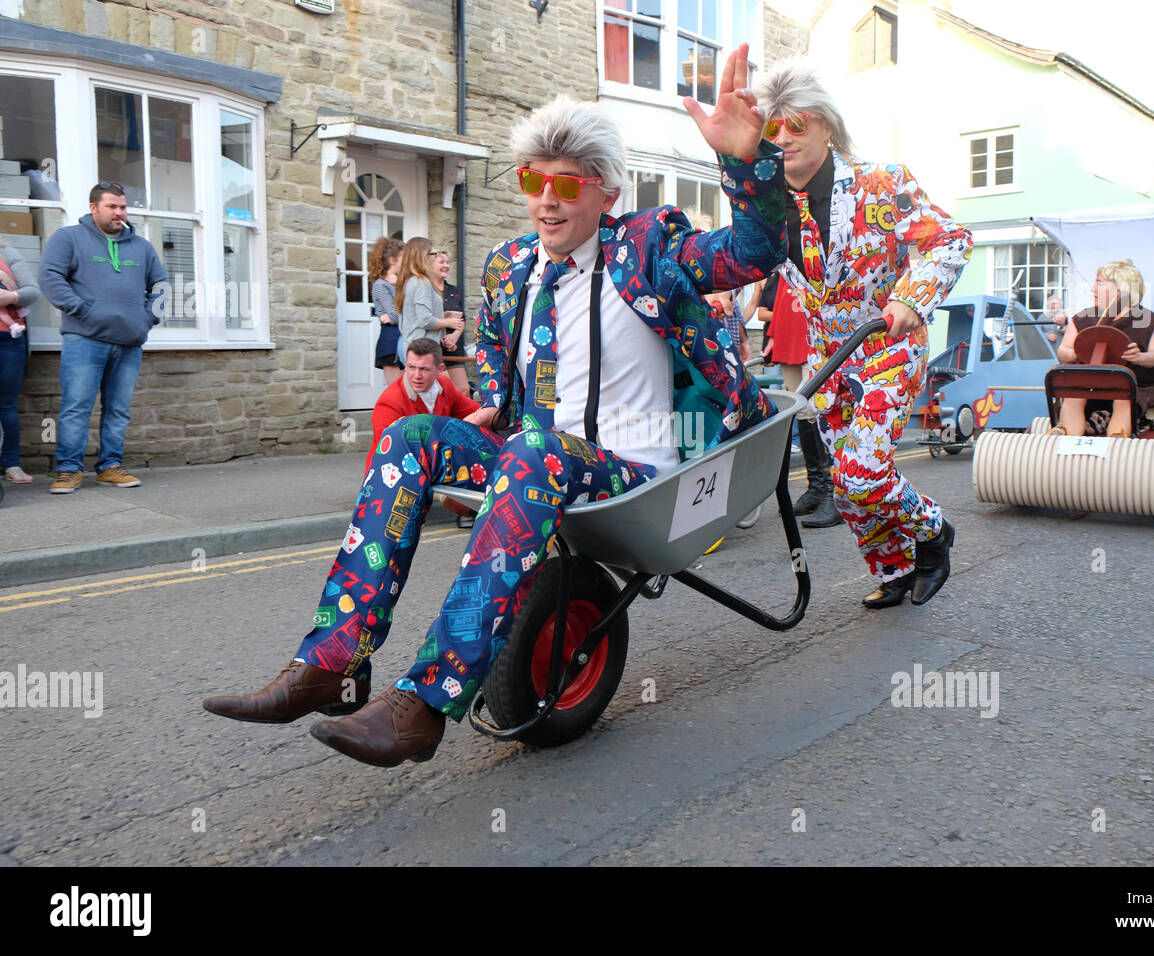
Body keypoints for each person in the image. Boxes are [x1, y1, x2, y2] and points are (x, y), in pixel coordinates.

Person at [202, 47, 786, 768]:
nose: (546, 199)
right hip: (532, 458)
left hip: (635, 475)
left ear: (605, 192)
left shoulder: (648, 249)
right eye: (534, 179)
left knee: (536, 453)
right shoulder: (512, 265)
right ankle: (332, 662)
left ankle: (423, 704)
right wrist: (492, 404)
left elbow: (757, 249)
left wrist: (746, 162)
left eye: (566, 184)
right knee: (413, 437)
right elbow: (497, 354)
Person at [754, 61, 971, 610]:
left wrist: (909, 297)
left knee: (861, 470)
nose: (783, 139)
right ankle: (893, 570)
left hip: (888, 349)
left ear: (826, 126)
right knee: (850, 491)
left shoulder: (883, 182)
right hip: (831, 363)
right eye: (771, 130)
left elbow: (949, 240)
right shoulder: (771, 211)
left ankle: (934, 532)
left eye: (796, 124)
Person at [38, 182, 167, 494]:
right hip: (84, 339)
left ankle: (110, 466)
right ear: (94, 208)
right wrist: (80, 309)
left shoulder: (142, 247)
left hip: (129, 342)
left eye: (122, 207)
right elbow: (49, 276)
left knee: (119, 408)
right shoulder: (69, 238)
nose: (119, 213)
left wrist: (148, 318)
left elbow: (162, 284)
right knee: (77, 406)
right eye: (112, 206)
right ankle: (69, 469)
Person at [1050, 259, 1154, 438]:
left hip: (1137, 387)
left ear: (1120, 288)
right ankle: (1067, 439)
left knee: (1123, 395)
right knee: (1074, 395)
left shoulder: (1151, 322)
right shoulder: (1083, 318)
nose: (1093, 289)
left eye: (1099, 283)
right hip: (1089, 384)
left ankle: (1116, 440)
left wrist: (1139, 357)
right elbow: (1063, 352)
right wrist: (1078, 351)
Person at [766, 271, 839, 527]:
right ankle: (817, 486)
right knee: (800, 410)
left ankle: (834, 492)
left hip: (815, 335)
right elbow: (782, 297)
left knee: (818, 408)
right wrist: (774, 335)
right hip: (789, 333)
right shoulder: (788, 247)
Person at [365, 337, 479, 472]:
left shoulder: (445, 386)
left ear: (440, 369)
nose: (416, 375)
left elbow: (476, 412)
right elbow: (388, 454)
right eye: (411, 367)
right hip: (392, 473)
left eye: (424, 369)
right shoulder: (389, 403)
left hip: (432, 466)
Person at [1, 237, 39, 483]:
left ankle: (12, 463)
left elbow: (32, 291)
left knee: (6, 405)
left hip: (8, 340)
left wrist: (10, 297)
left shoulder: (6, 252)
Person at [394, 237, 462, 355]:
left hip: (413, 346)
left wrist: (442, 315)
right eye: (433, 253)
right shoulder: (421, 282)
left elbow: (414, 316)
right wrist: (449, 323)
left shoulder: (410, 281)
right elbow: (424, 321)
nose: (436, 256)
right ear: (423, 257)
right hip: (422, 349)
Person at [430, 249, 472, 397]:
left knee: (464, 390)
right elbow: (425, 319)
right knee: (443, 392)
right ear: (430, 265)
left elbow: (462, 318)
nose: (446, 265)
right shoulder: (425, 289)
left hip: (453, 348)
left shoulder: (453, 290)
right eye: (442, 262)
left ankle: (460, 421)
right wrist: (445, 328)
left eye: (448, 262)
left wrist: (454, 336)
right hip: (434, 347)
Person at [370, 238, 405, 386]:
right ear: (392, 260)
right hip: (390, 343)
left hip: (403, 342)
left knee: (408, 393)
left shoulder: (399, 284)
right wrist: (397, 289)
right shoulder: (381, 285)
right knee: (397, 392)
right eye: (403, 259)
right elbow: (396, 315)